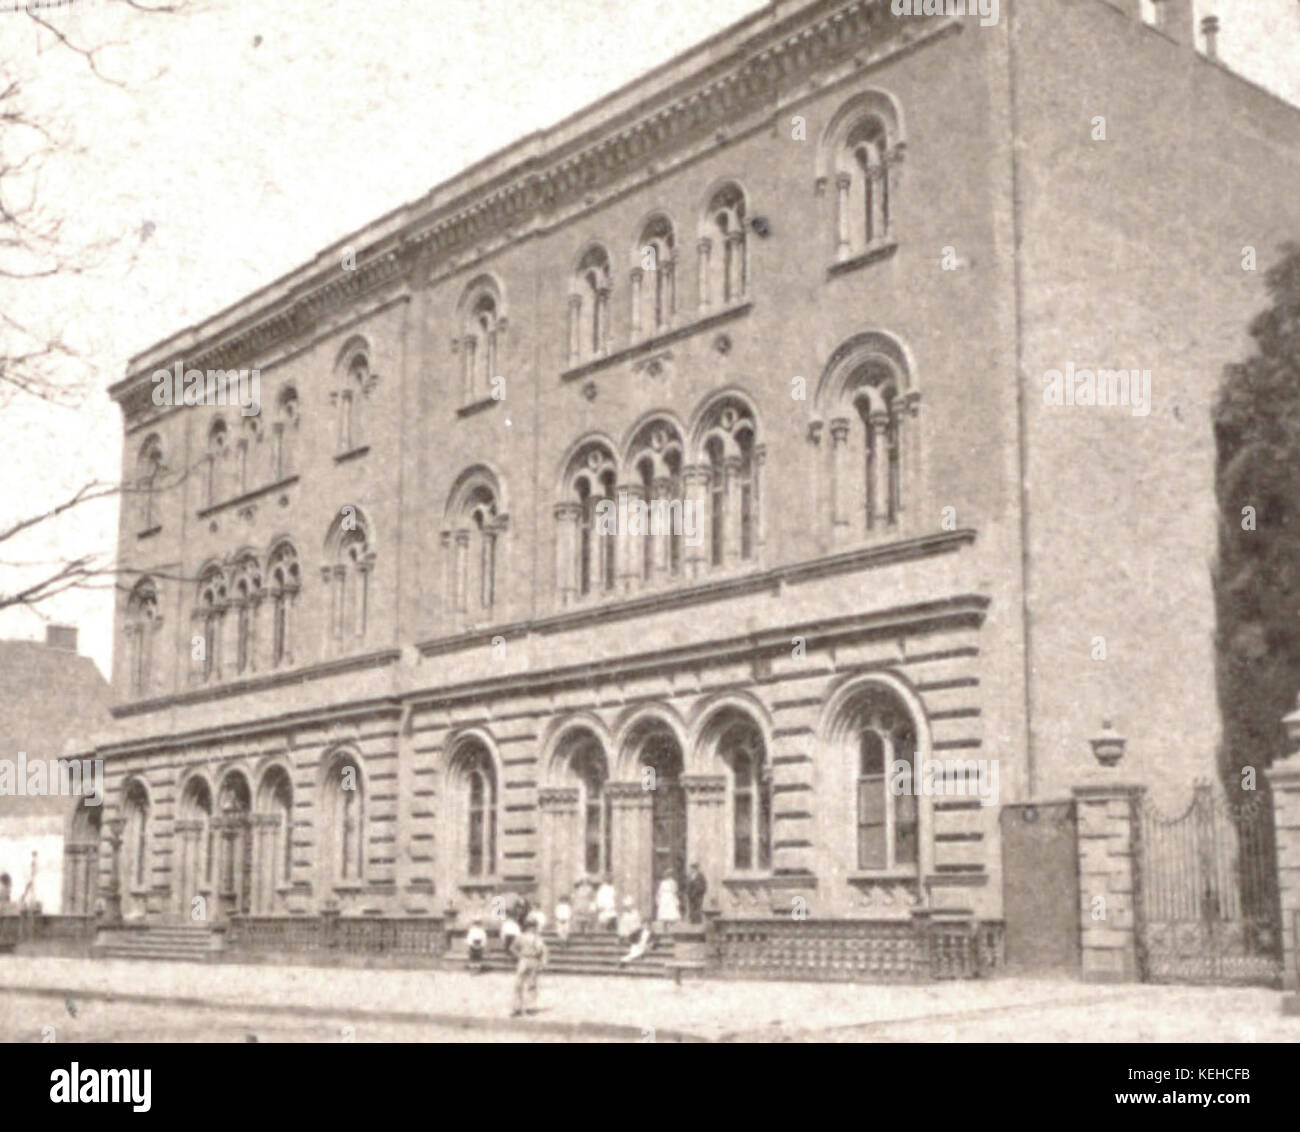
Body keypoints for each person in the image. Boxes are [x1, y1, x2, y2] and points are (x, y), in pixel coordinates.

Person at [511, 913, 547, 1017]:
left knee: (528, 984)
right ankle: (519, 1007)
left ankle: (528, 1007)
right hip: (527, 959)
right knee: (520, 984)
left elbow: (543, 951)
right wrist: (519, 956)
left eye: (533, 926)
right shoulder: (523, 937)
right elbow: (512, 948)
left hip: (529, 960)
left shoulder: (533, 937)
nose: (532, 928)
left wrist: (542, 961)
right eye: (530, 926)